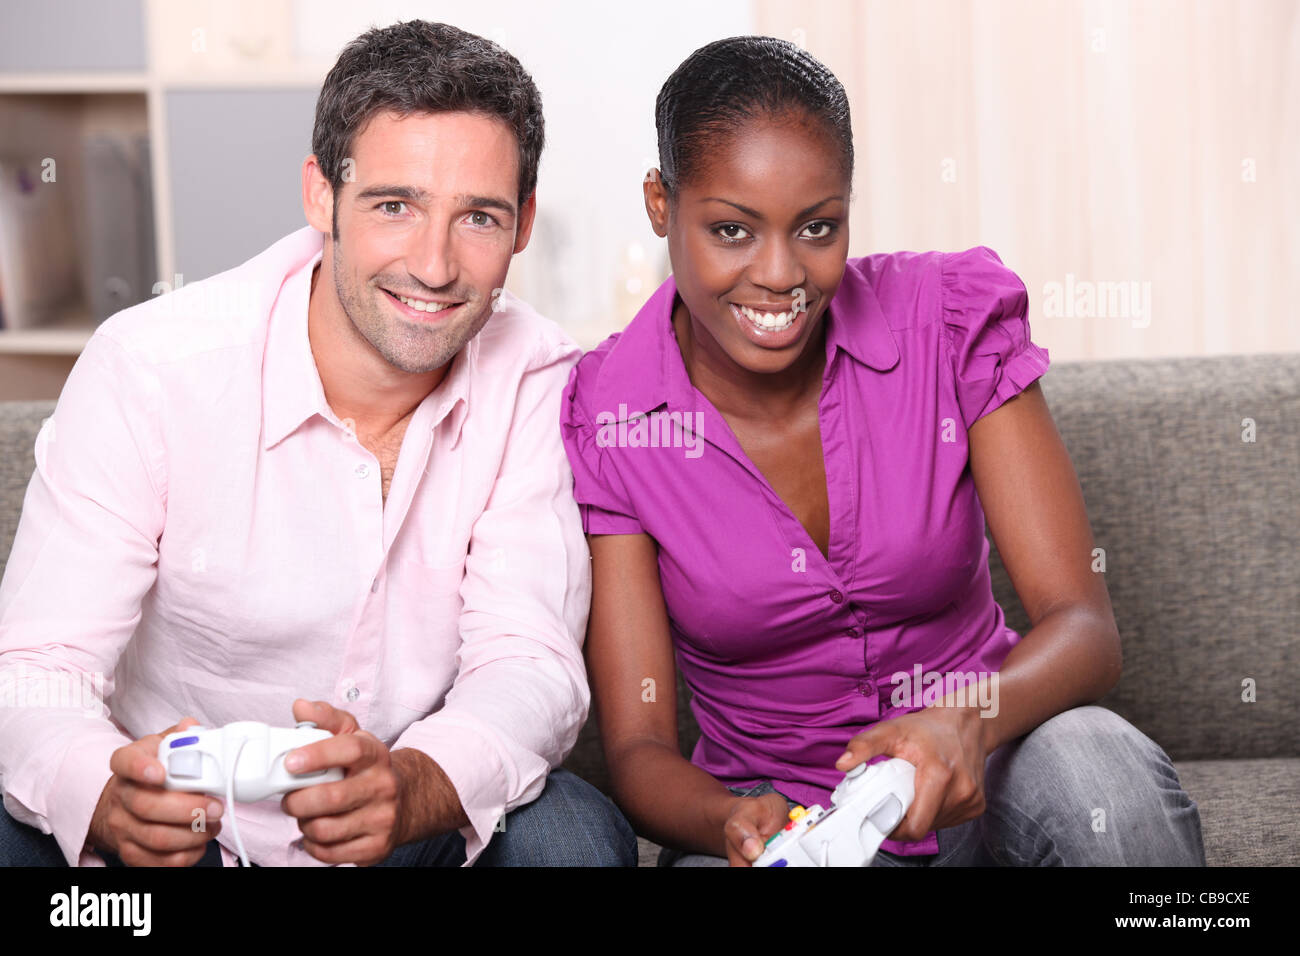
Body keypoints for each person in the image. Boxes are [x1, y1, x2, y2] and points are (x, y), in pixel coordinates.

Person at [0, 19, 636, 868]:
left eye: (477, 217)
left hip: (399, 825)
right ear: (320, 195)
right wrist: (105, 795)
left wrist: (414, 785)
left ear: (521, 224)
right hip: (180, 835)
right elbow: (38, 665)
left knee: (571, 836)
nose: (435, 265)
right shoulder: (150, 367)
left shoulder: (539, 377)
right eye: (394, 205)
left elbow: (529, 662)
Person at [560, 35, 1205, 867]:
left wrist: (967, 718)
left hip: (989, 768)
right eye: (731, 230)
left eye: (817, 227)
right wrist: (730, 819)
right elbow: (641, 749)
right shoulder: (612, 411)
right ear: (660, 204)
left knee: (1101, 770)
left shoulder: (946, 320)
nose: (780, 275)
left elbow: (1085, 627)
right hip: (789, 825)